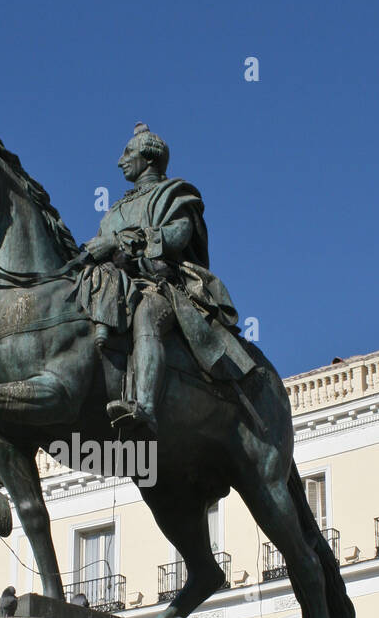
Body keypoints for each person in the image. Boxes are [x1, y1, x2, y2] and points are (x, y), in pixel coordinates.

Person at [78, 123, 255, 435]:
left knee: (147, 315)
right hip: (113, 284)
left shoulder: (175, 194)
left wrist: (121, 243)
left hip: (160, 285)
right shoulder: (115, 209)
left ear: (148, 158)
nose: (120, 160)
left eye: (127, 153)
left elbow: (177, 235)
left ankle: (144, 406)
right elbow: (99, 247)